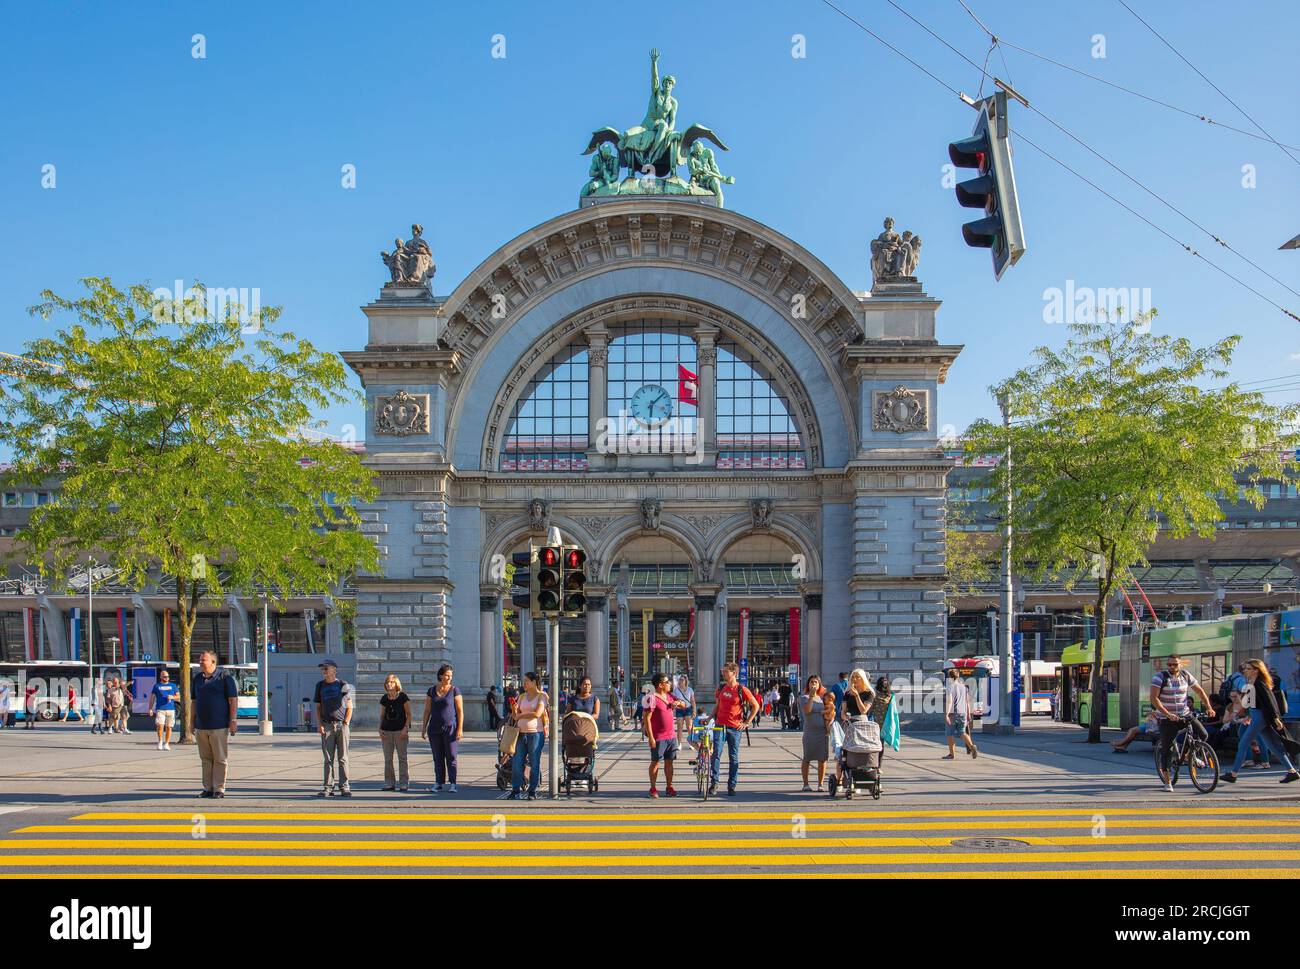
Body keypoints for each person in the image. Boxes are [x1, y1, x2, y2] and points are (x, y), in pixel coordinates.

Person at [1222, 659, 1300, 786]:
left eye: (1247, 668)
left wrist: (1275, 718)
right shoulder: (1252, 682)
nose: (1245, 671)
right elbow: (1253, 702)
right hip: (1257, 716)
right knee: (1273, 746)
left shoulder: (1259, 683)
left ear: (1256, 670)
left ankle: (1233, 774)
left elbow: (1269, 701)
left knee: (1243, 744)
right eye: (1244, 668)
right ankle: (1292, 772)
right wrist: (1248, 716)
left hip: (1260, 717)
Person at [1150, 654, 1215, 792]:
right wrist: (1167, 714)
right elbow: (1154, 698)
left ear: (1181, 664)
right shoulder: (1160, 678)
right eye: (1169, 664)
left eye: (1175, 664)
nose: (1172, 667)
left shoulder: (1185, 675)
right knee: (1167, 750)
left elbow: (1200, 691)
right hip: (1167, 718)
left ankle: (1189, 755)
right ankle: (1168, 782)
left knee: (1203, 734)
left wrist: (1209, 707)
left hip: (1184, 713)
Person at [189, 649, 238, 798]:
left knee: (220, 758)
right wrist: (191, 722)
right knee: (206, 759)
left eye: (203, 659)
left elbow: (233, 700)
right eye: (200, 659)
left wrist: (233, 720)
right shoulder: (197, 679)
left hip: (219, 725)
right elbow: (194, 702)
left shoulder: (224, 677)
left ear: (213, 662)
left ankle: (219, 788)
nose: (200, 662)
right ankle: (208, 788)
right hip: (201, 726)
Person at [711, 663, 759, 796]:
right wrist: (709, 717)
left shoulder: (741, 689)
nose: (723, 673)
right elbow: (717, 706)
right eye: (723, 671)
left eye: (726, 671)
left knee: (733, 757)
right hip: (720, 725)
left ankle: (731, 785)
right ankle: (714, 782)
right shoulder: (721, 688)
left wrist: (747, 722)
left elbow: (755, 706)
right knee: (716, 754)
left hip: (735, 728)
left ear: (734, 673)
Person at [314, 658, 354, 797]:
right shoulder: (320, 686)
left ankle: (344, 786)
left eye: (326, 668)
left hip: (341, 725)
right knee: (328, 758)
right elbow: (318, 707)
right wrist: (320, 724)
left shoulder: (343, 684)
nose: (324, 670)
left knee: (343, 758)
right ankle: (328, 787)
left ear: (334, 670)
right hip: (327, 725)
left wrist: (346, 723)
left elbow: (349, 706)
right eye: (322, 668)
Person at [422, 664, 463, 794]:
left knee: (451, 756)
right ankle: (438, 782)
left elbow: (460, 711)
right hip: (434, 728)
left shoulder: (454, 690)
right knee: (437, 757)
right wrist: (423, 728)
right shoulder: (431, 690)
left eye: (451, 676)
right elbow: (427, 710)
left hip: (450, 728)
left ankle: (453, 783)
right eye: (447, 675)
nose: (449, 678)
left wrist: (460, 728)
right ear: (440, 675)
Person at [644, 672, 685, 797]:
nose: (670, 684)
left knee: (669, 762)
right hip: (658, 737)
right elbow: (647, 719)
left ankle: (669, 787)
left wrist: (678, 703)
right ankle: (653, 788)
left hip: (671, 736)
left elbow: (684, 705)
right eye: (667, 682)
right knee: (655, 762)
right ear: (661, 684)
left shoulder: (670, 696)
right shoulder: (651, 698)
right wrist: (651, 738)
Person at [509, 671, 548, 800]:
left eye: (526, 681)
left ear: (534, 682)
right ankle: (515, 790)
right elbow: (515, 717)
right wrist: (514, 710)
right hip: (520, 733)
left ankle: (532, 791)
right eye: (523, 681)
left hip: (535, 734)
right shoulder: (521, 697)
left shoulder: (542, 696)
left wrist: (520, 715)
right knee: (517, 763)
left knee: (534, 763)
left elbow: (537, 713)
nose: (524, 683)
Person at [799, 675, 832, 791]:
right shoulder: (804, 697)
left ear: (819, 685)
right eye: (811, 682)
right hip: (810, 731)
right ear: (808, 684)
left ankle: (820, 784)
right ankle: (806, 784)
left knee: (822, 758)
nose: (813, 684)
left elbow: (830, 710)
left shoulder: (823, 698)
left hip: (822, 731)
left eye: (816, 682)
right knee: (807, 757)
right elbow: (807, 710)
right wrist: (811, 696)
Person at [379, 674, 412, 792]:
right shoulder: (384, 698)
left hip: (400, 731)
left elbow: (409, 715)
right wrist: (380, 729)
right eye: (387, 682)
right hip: (387, 731)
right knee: (388, 758)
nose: (389, 684)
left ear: (396, 684)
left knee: (402, 758)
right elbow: (382, 716)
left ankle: (404, 783)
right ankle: (389, 783)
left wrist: (405, 728)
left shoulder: (403, 697)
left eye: (392, 682)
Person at [943, 668, 978, 760]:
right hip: (963, 713)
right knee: (962, 732)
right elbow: (967, 702)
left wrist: (946, 714)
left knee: (949, 734)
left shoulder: (950, 687)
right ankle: (971, 746)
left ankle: (952, 754)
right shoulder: (964, 687)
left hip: (953, 714)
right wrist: (968, 714)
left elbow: (950, 701)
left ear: (950, 677)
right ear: (958, 676)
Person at [148, 669, 179, 750]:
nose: (167, 678)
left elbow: (178, 696)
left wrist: (172, 697)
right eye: (165, 676)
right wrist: (150, 708)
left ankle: (167, 743)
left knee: (169, 727)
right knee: (160, 726)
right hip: (160, 709)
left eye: (168, 676)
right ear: (161, 677)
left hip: (171, 709)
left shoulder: (173, 685)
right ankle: (160, 741)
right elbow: (152, 698)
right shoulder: (156, 686)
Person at [671, 674, 696, 752]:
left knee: (689, 727)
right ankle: (679, 744)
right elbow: (673, 701)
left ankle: (691, 743)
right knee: (679, 727)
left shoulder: (690, 690)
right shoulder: (676, 691)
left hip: (688, 709)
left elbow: (692, 701)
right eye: (679, 680)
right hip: (679, 710)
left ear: (686, 681)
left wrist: (694, 710)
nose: (680, 681)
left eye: (682, 680)